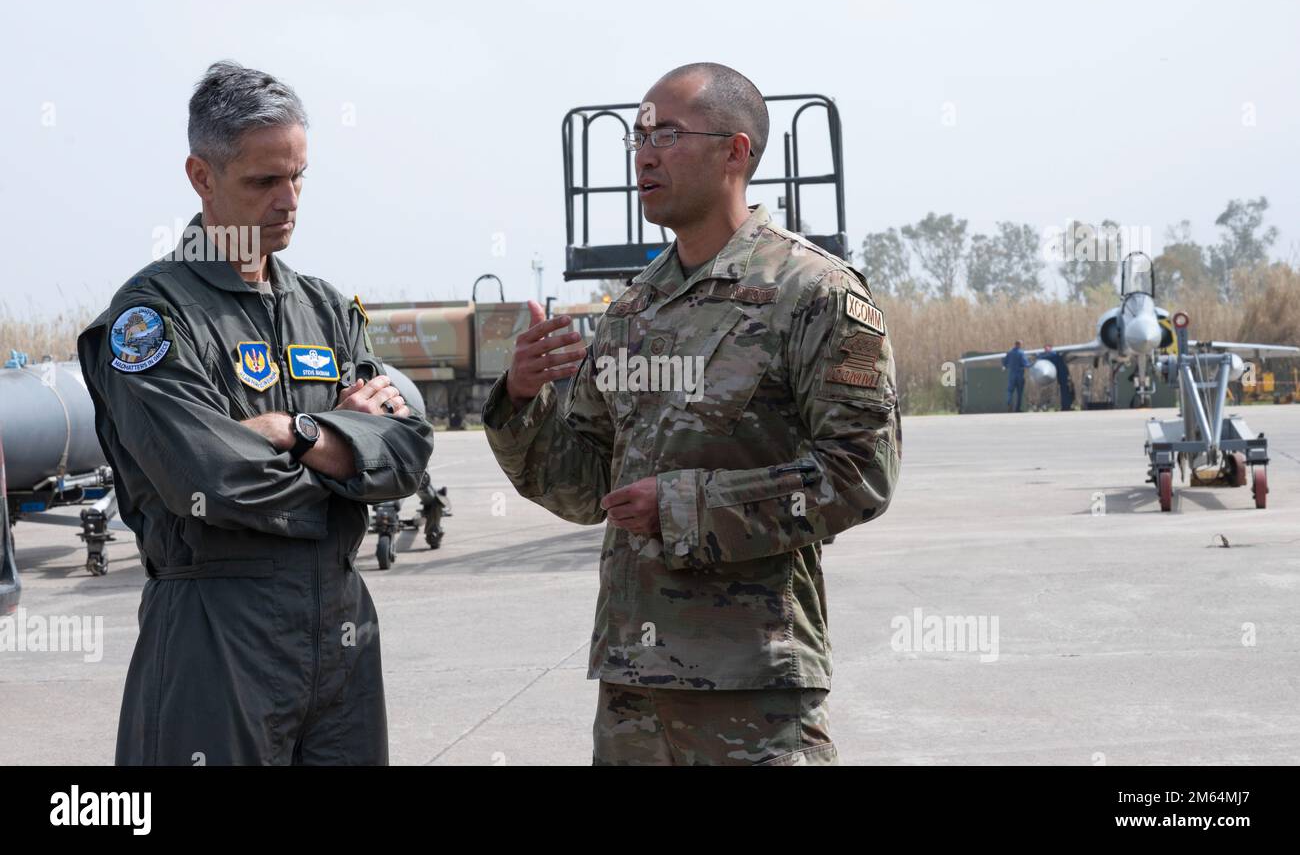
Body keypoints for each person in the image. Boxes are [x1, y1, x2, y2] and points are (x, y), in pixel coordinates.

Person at [482, 63, 900, 765]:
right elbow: (586, 487)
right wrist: (524, 401)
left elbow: (861, 472)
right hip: (633, 689)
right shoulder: (634, 308)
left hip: (750, 686)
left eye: (666, 134)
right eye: (638, 138)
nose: (644, 154)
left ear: (735, 152)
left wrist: (684, 507)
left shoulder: (814, 294)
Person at [77, 61, 433, 765]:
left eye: (299, 176)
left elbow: (407, 450)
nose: (290, 198)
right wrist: (341, 458)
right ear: (201, 176)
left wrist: (292, 431)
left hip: (341, 628)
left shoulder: (326, 308)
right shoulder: (152, 319)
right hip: (216, 628)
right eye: (264, 181)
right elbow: (207, 479)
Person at [1039, 345, 1074, 411]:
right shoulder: (1056, 356)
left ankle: (1065, 406)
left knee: (1064, 390)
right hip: (1062, 377)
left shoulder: (1042, 356)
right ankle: (1066, 406)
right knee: (1065, 390)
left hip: (1060, 376)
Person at [1002, 339, 1030, 412]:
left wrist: (1006, 366)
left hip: (1012, 375)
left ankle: (1009, 402)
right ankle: (1017, 409)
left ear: (1015, 344)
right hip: (1019, 375)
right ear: (1020, 345)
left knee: (1010, 391)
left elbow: (1004, 362)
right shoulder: (1021, 353)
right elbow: (1026, 364)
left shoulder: (1010, 353)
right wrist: (1032, 363)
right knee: (1019, 393)